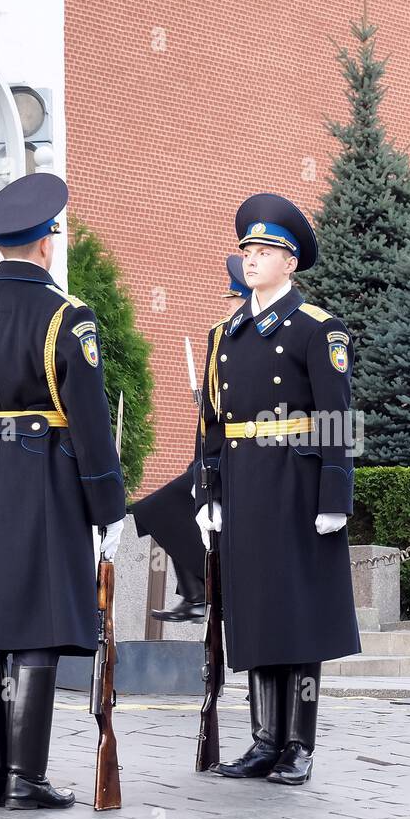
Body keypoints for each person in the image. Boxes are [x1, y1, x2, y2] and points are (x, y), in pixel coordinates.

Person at [0, 172, 126, 809]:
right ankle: (25, 780)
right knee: (35, 625)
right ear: (48, 243)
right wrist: (108, 504)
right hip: (43, 474)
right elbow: (92, 423)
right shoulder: (67, 318)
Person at [193, 193, 360, 785]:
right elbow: (212, 420)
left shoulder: (318, 330)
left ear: (290, 263)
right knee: (256, 613)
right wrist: (206, 493)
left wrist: (335, 498)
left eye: (265, 250)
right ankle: (264, 740)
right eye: (246, 249)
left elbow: (340, 417)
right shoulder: (224, 334)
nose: (251, 258)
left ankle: (298, 745)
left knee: (299, 616)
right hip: (244, 487)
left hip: (296, 483)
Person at [131, 258, 253, 623]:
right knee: (154, 508)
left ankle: (202, 591)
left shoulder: (248, 336)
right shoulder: (222, 335)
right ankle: (197, 592)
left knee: (163, 505)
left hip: (244, 454)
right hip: (216, 453)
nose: (227, 304)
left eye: (232, 297)